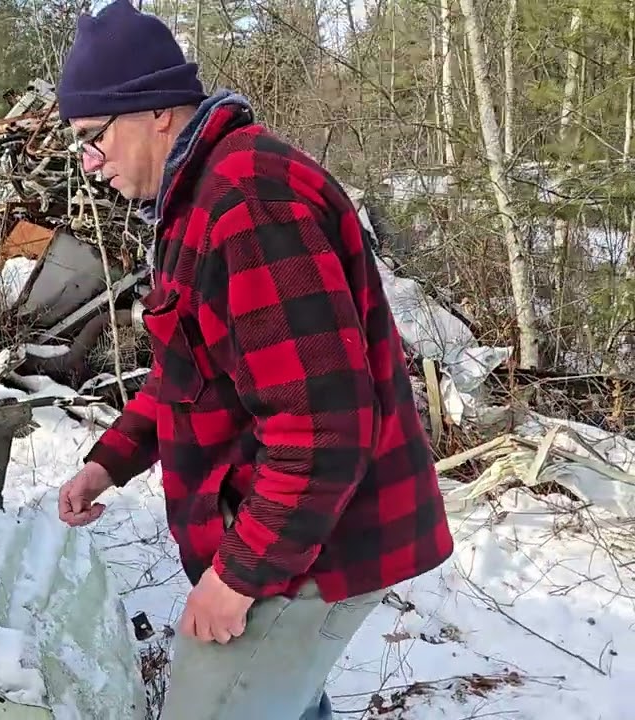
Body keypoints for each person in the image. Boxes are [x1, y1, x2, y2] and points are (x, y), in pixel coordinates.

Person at [52, 2, 455, 719]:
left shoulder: (248, 201)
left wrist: (238, 576)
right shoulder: (196, 201)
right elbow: (190, 372)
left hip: (314, 546)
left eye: (93, 137)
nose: (89, 164)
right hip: (287, 530)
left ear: (156, 113)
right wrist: (108, 461)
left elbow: (324, 424)